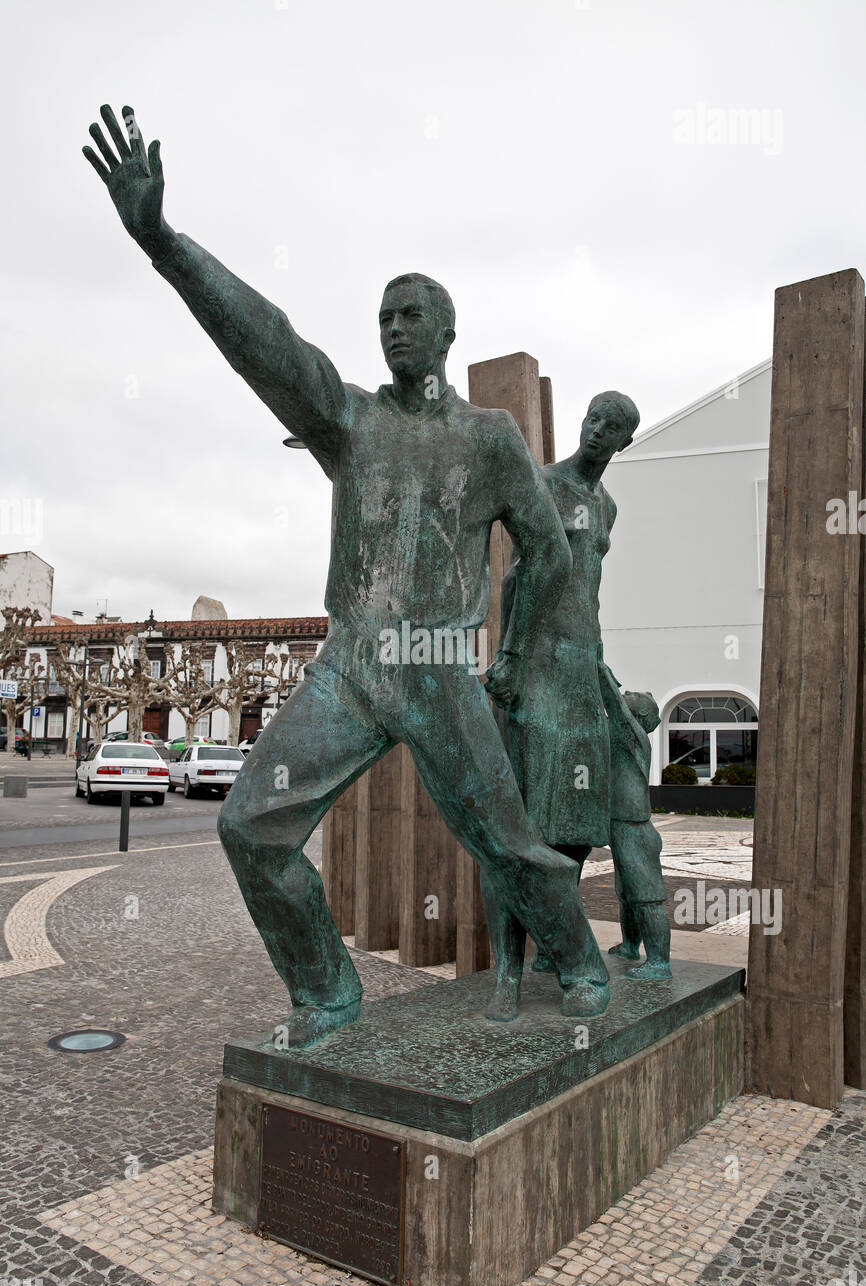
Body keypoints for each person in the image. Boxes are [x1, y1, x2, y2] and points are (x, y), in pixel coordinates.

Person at [82, 104, 610, 1045]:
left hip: (441, 666)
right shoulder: (352, 420)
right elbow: (269, 342)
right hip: (354, 665)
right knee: (250, 825)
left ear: (447, 333)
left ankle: (579, 961)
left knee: (510, 842)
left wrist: (516, 653)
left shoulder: (490, 439)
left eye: (412, 317)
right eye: (384, 318)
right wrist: (162, 241)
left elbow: (550, 549)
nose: (395, 330)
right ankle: (326, 992)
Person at [485, 391, 639, 1020]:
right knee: (517, 831)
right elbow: (518, 577)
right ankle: (506, 974)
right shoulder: (543, 483)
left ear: (626, 441)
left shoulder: (606, 507)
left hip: (581, 670)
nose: (598, 431)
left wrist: (604, 680)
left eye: (614, 427)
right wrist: (511, 657)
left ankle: (557, 945)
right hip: (536, 665)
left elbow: (591, 595)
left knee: (575, 829)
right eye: (593, 419)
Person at [598, 666, 671, 979]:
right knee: (627, 894)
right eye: (626, 691)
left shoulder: (634, 735)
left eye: (632, 696)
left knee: (646, 896)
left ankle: (659, 962)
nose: (626, 693)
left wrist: (598, 663)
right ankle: (630, 945)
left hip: (634, 828)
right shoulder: (620, 733)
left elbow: (612, 700)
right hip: (621, 827)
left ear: (639, 716)